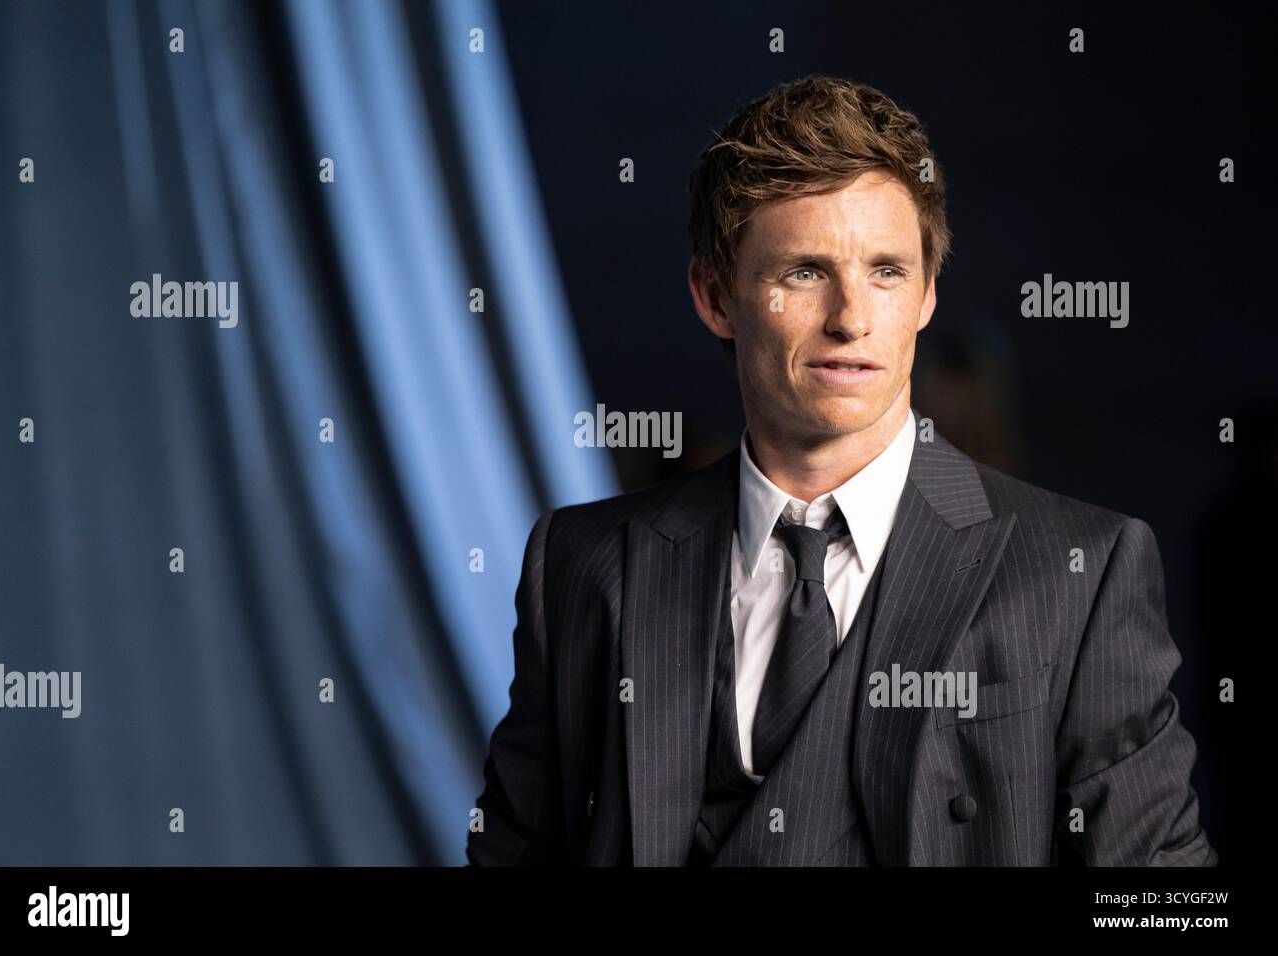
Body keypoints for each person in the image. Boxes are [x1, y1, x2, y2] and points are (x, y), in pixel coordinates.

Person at [466, 75, 1215, 866]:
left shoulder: (1082, 572)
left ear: (926, 294)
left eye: (886, 272)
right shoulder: (582, 566)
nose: (852, 317)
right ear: (715, 297)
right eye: (805, 272)